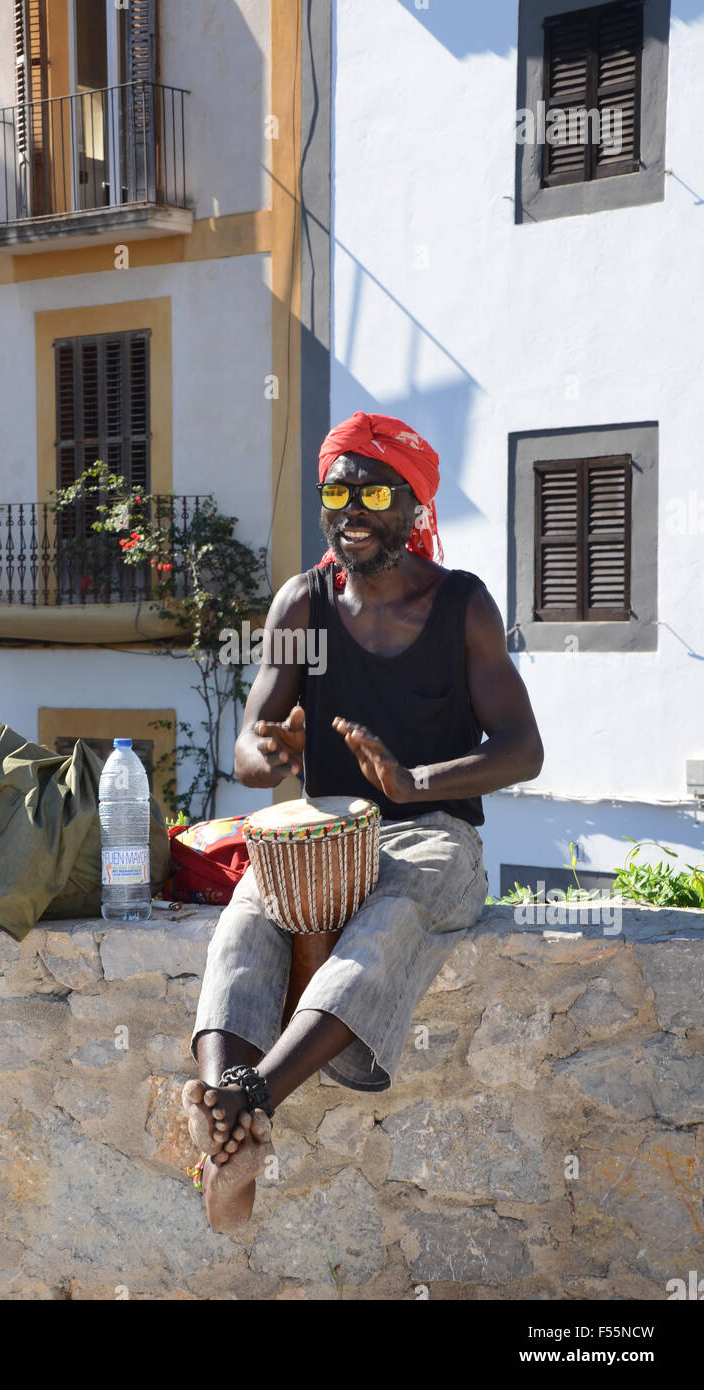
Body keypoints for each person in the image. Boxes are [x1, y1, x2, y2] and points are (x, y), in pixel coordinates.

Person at [181, 410, 544, 1231]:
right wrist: (269, 754)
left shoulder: (461, 607)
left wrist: (413, 781)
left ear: (413, 511)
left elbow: (523, 749)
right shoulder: (301, 607)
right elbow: (245, 748)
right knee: (246, 922)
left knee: (386, 923)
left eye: (373, 490)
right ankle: (220, 1107)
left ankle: (248, 1100)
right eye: (335, 491)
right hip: (321, 836)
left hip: (433, 835)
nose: (351, 509)